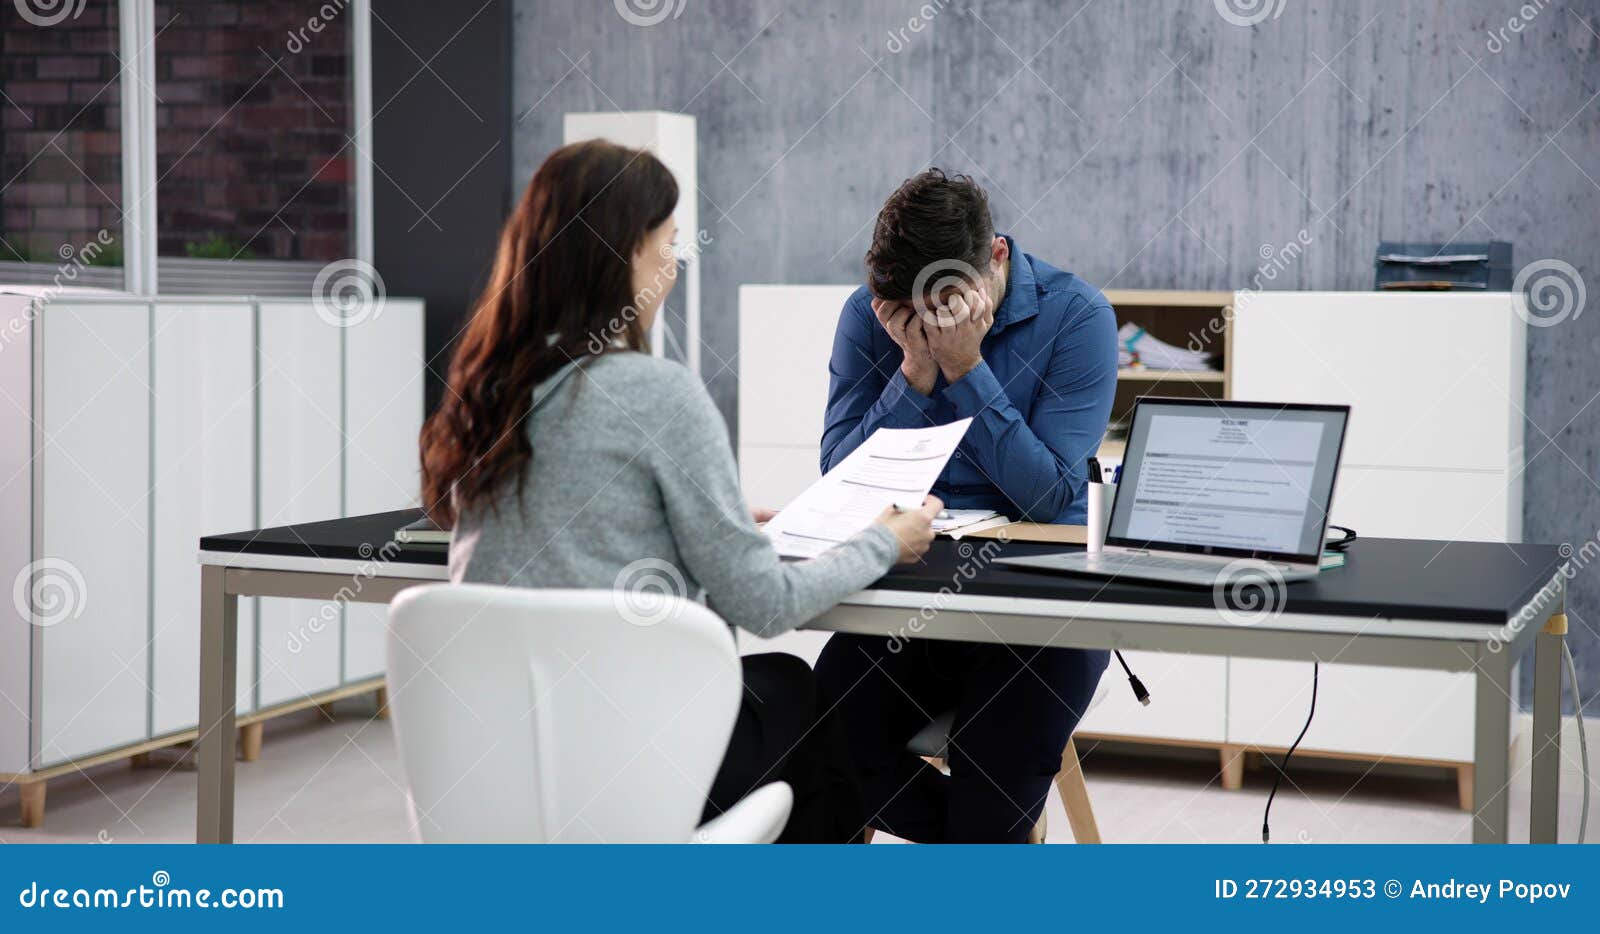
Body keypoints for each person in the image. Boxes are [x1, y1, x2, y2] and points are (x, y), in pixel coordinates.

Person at [419, 140, 940, 842]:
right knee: (802, 700)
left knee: (781, 696)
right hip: (633, 765)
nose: (673, 265)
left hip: (496, 768)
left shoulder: (484, 392)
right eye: (667, 243)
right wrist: (885, 540)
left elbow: (573, 534)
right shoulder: (659, 393)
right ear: (623, 254)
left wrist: (703, 524)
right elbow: (764, 603)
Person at [814, 169, 1118, 842]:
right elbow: (841, 477)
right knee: (817, 738)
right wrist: (915, 375)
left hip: (1042, 607)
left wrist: (966, 369)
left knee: (995, 761)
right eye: (909, 310)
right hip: (911, 596)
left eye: (943, 304)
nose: (925, 324)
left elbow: (1047, 498)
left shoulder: (1079, 317)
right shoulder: (874, 316)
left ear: (997, 258)